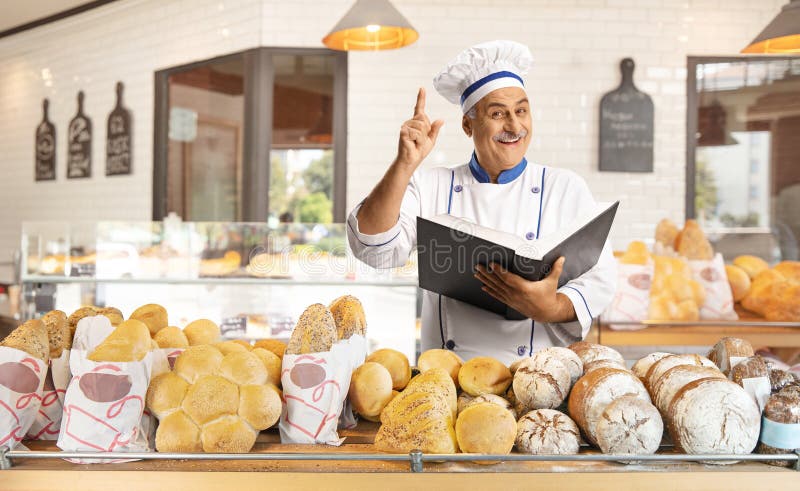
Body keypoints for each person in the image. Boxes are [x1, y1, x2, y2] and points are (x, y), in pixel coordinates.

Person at [346, 40, 616, 364]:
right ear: (467, 124)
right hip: (447, 380)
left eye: (521, 111)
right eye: (498, 113)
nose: (514, 126)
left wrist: (550, 307)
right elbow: (374, 248)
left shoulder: (565, 187)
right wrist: (404, 164)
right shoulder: (430, 185)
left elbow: (601, 277)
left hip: (534, 379)